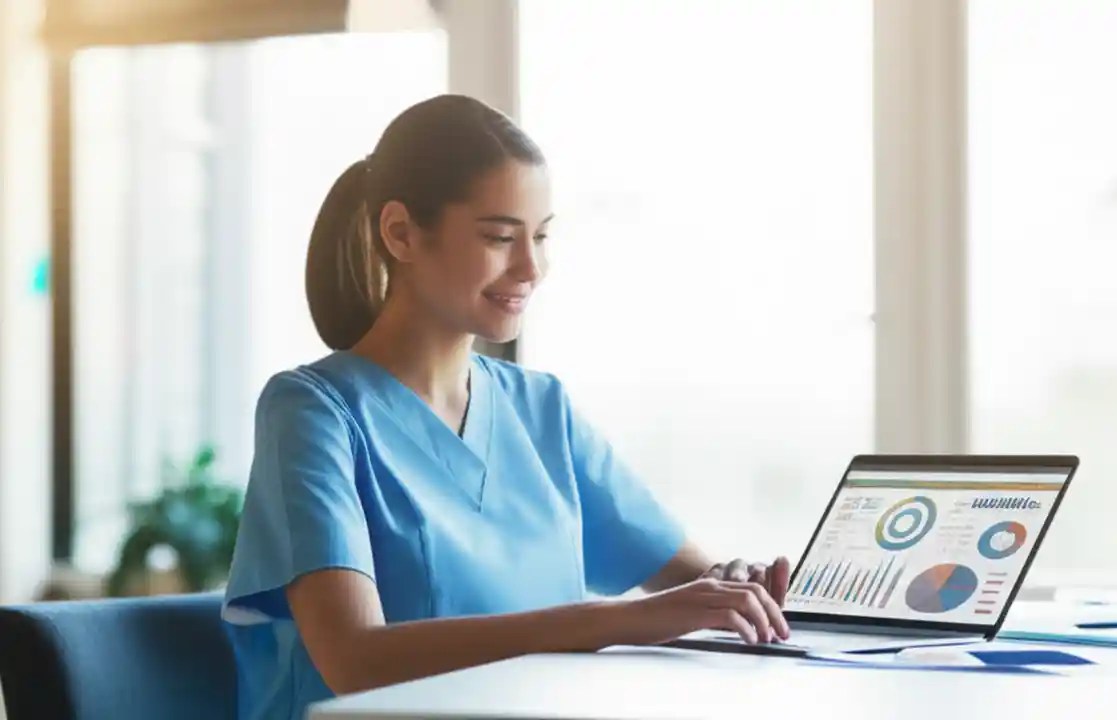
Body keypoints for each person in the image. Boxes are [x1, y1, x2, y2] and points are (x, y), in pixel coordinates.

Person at [222, 94, 791, 720]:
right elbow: (355, 659)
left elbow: (687, 582)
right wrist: (610, 620)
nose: (531, 267)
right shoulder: (313, 411)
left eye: (541, 237)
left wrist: (737, 587)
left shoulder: (541, 408)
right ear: (401, 233)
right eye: (499, 237)